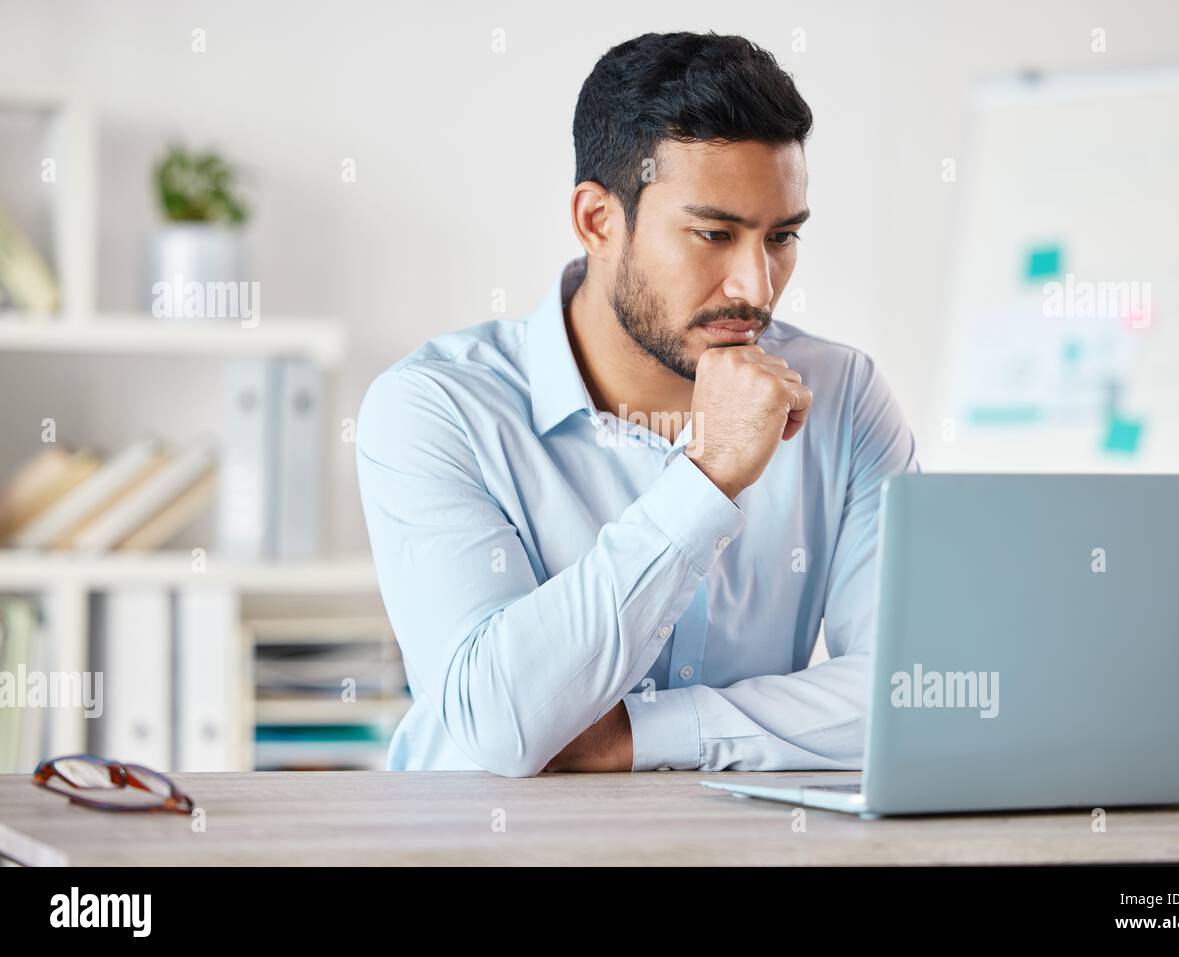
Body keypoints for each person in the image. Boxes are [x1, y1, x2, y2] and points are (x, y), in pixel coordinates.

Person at [357, 31, 920, 776]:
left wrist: (638, 735)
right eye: (713, 233)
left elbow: (912, 689)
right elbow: (498, 722)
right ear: (598, 220)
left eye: (781, 237)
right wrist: (708, 476)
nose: (756, 286)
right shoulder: (434, 408)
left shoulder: (844, 397)